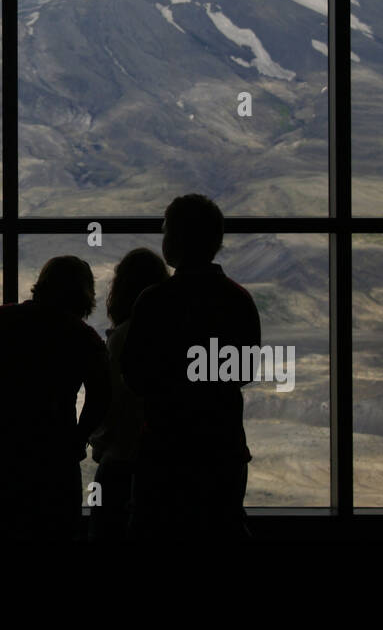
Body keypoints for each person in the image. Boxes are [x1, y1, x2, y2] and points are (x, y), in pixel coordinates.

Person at [121, 194, 261, 541]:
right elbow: (243, 372)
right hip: (222, 449)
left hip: (165, 451)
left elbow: (135, 376)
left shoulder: (154, 301)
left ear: (179, 240)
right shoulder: (238, 300)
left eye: (167, 231)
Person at [0, 255, 111, 541]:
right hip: (54, 462)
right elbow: (102, 395)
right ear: (83, 294)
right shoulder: (82, 337)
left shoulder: (1, 319)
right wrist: (78, 437)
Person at [88, 247, 167, 542]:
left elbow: (110, 404)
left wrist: (99, 443)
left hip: (120, 462)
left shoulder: (122, 338)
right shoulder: (173, 332)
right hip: (165, 464)